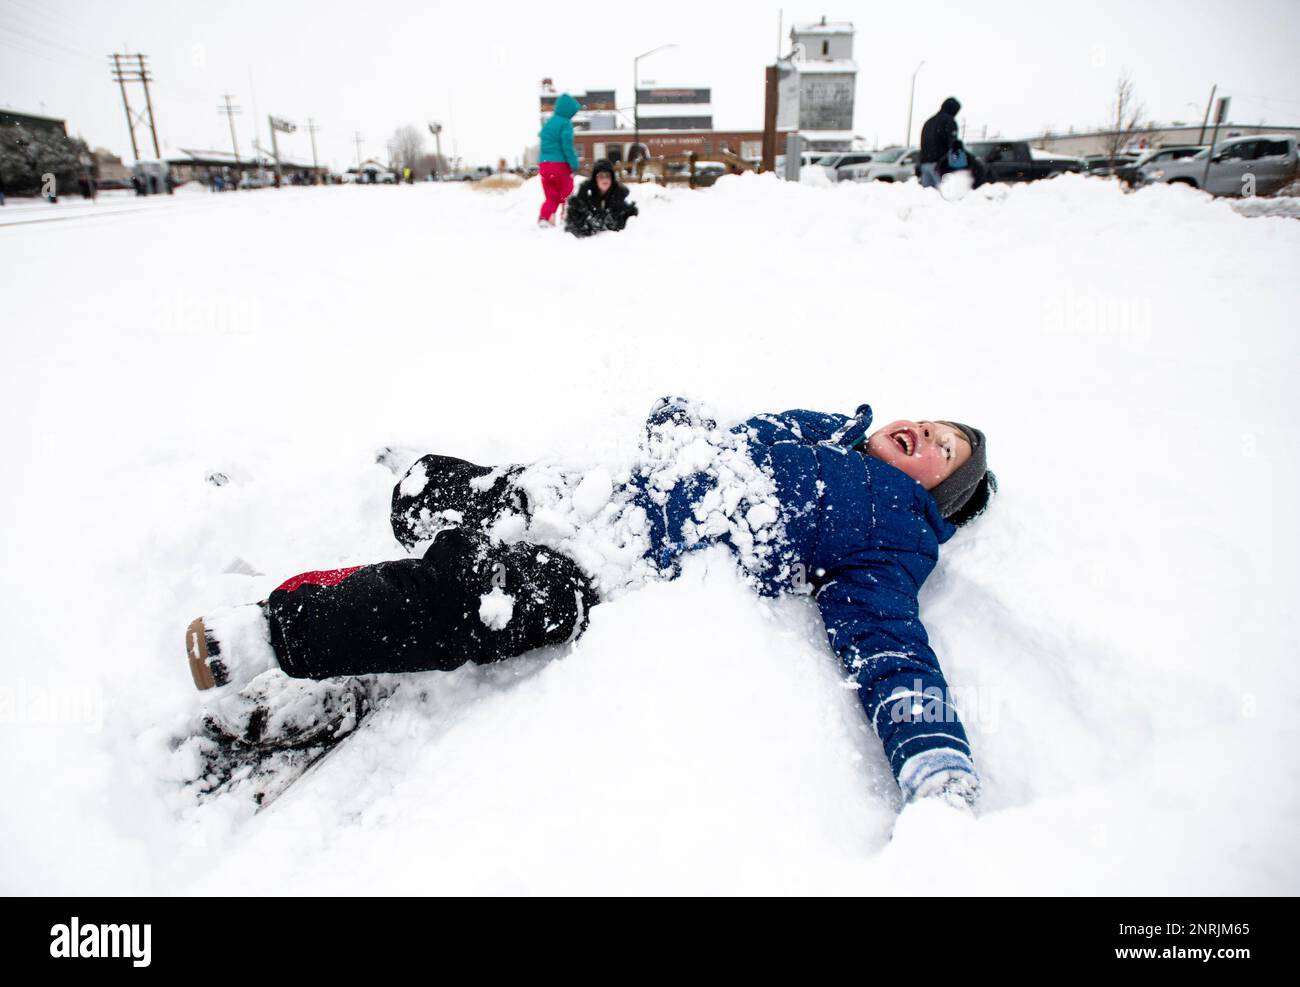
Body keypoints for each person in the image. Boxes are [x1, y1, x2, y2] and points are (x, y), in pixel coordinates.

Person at [185, 399, 995, 809]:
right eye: (927, 419)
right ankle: (417, 488)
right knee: (491, 488)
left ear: (944, 493)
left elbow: (891, 647)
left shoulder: (891, 534)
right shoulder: (828, 429)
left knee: (473, 597)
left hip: (614, 569)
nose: (925, 429)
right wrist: (680, 422)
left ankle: (277, 630)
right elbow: (737, 430)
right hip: (605, 489)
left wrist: (934, 758)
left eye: (946, 448)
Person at [564, 159, 638, 238]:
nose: (604, 179)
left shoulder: (620, 194)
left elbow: (630, 218)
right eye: (601, 176)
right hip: (586, 240)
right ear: (595, 178)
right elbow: (572, 219)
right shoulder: (583, 193)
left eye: (607, 176)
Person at [537, 93, 581, 226]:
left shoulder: (549, 123)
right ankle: (566, 218)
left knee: (551, 196)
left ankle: (545, 218)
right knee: (567, 193)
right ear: (568, 110)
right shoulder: (565, 123)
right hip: (560, 164)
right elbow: (567, 146)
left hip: (544, 165)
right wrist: (574, 163)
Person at [918, 97, 962, 189]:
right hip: (939, 165)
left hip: (925, 164)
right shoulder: (949, 121)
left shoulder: (929, 122)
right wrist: (958, 164)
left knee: (928, 197)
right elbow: (953, 144)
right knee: (943, 197)